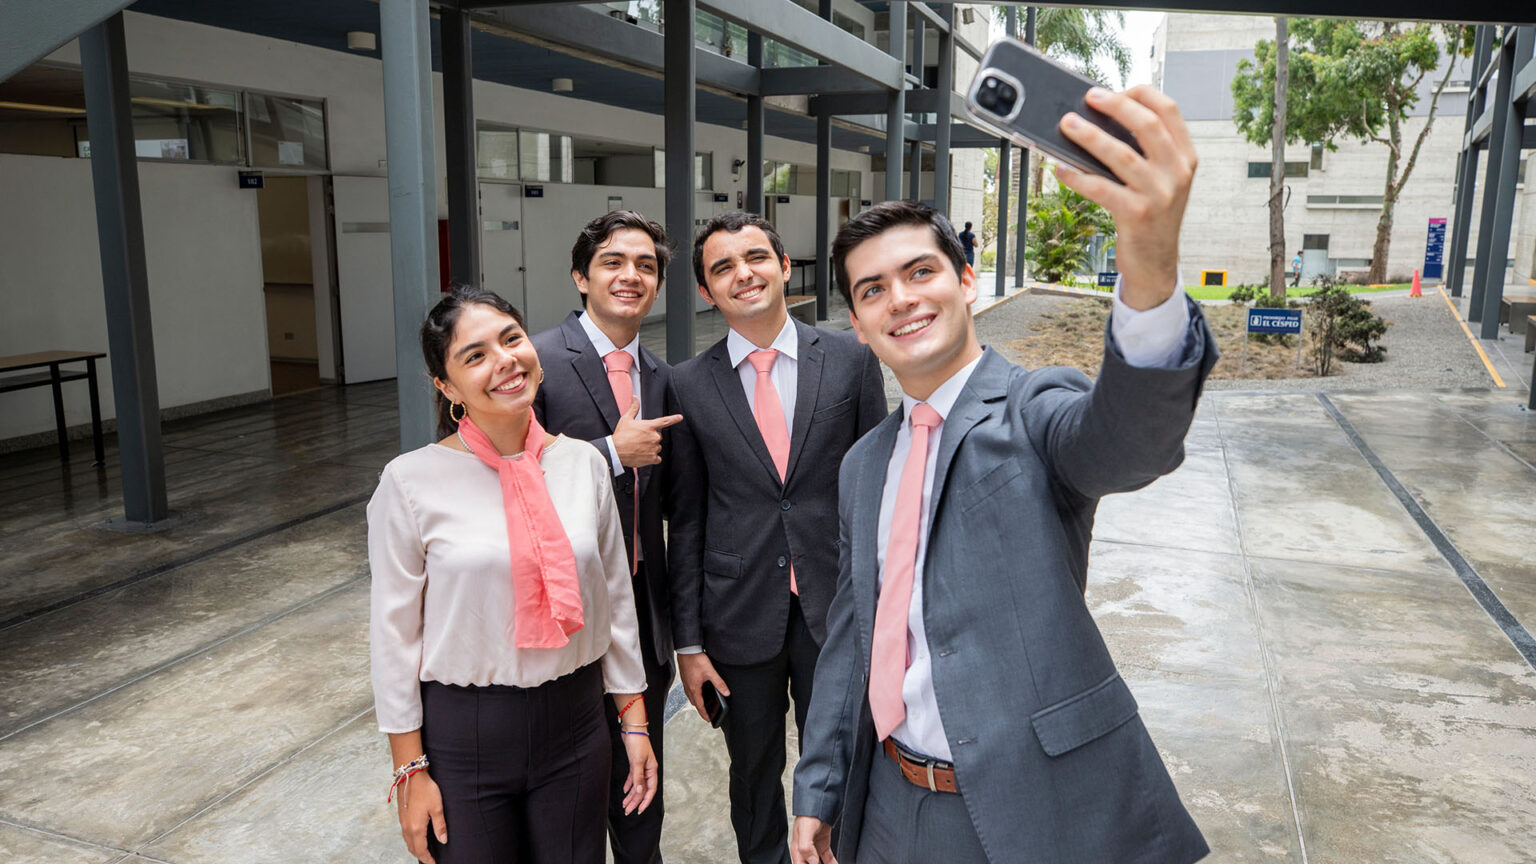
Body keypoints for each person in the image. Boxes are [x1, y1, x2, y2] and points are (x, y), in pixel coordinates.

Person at [791, 85, 1216, 864]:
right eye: (873, 289)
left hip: (1024, 809)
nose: (901, 300)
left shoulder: (1032, 405)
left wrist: (1149, 260)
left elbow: (1127, 445)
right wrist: (818, 790)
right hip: (886, 803)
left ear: (967, 281)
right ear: (856, 323)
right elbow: (851, 640)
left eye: (921, 272)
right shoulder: (863, 464)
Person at [369, 285, 658, 864]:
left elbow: (614, 603)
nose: (504, 360)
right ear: (447, 388)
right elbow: (394, 634)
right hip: (466, 733)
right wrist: (409, 768)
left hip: (577, 724)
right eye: (474, 355)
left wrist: (634, 721)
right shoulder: (410, 482)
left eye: (511, 339)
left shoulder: (582, 464)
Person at [667, 211, 888, 864]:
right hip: (738, 616)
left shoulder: (850, 361)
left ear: (785, 267)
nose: (744, 274)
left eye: (756, 258)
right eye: (723, 268)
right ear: (707, 292)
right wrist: (688, 641)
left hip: (836, 611)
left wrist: (884, 611)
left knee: (845, 764)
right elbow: (687, 519)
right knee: (754, 772)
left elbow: (878, 493)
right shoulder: (686, 383)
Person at [532, 210, 682, 864]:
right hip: (557, 621)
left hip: (640, 621)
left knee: (640, 784)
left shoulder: (658, 375)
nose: (631, 276)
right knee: (565, 798)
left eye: (646, 266)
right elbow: (494, 481)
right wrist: (607, 452)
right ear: (581, 277)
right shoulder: (533, 361)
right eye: (614, 262)